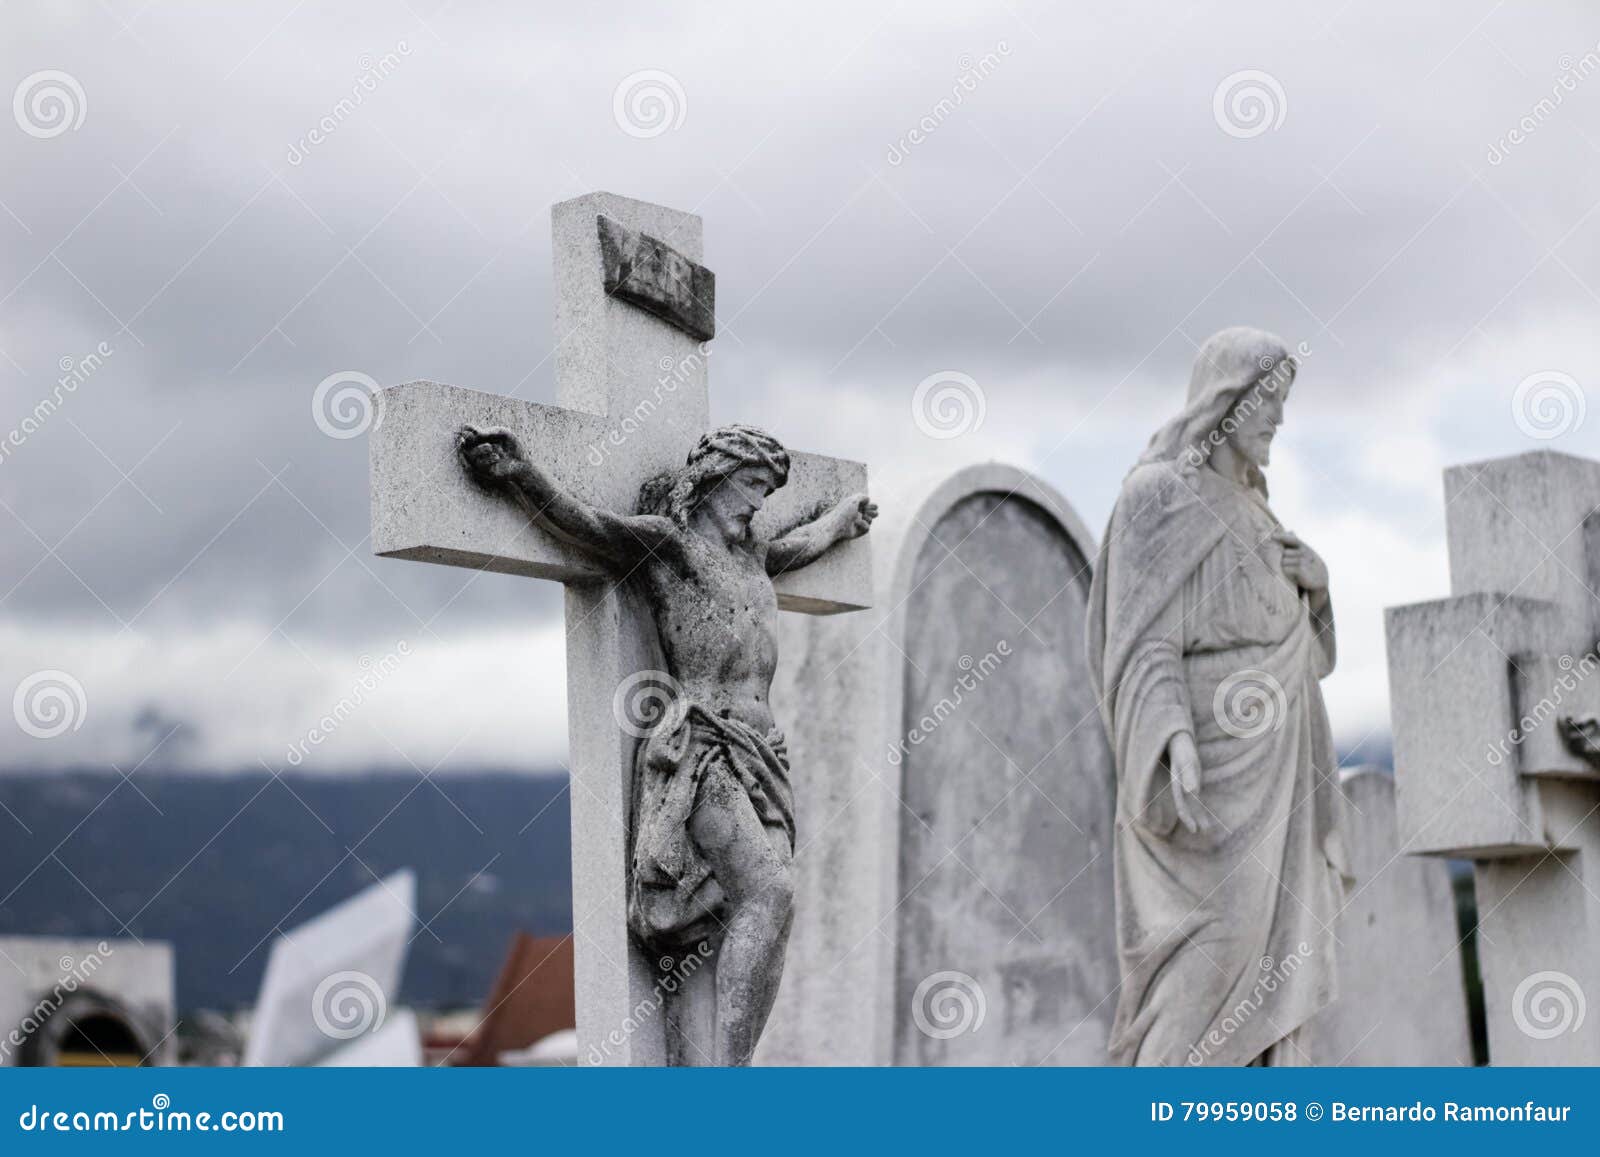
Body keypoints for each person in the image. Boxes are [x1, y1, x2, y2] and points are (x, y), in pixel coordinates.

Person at [459, 421, 875, 1065]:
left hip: (764, 755)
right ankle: (731, 1075)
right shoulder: (671, 545)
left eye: (767, 489)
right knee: (770, 892)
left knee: (766, 899)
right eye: (751, 485)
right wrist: (520, 474)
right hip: (702, 745)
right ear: (713, 480)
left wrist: (845, 519)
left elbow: (807, 542)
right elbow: (586, 526)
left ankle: (719, 1064)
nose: (758, 502)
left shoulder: (755, 555)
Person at [1086, 326, 1347, 1066]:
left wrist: (1319, 587)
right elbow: (1141, 641)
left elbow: (1310, 653)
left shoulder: (1262, 513)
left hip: (1282, 763)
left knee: (1280, 954)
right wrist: (1169, 735)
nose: (1278, 419)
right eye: (1268, 398)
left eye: (1284, 400)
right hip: (1209, 771)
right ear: (1225, 400)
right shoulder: (1157, 496)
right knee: (1208, 954)